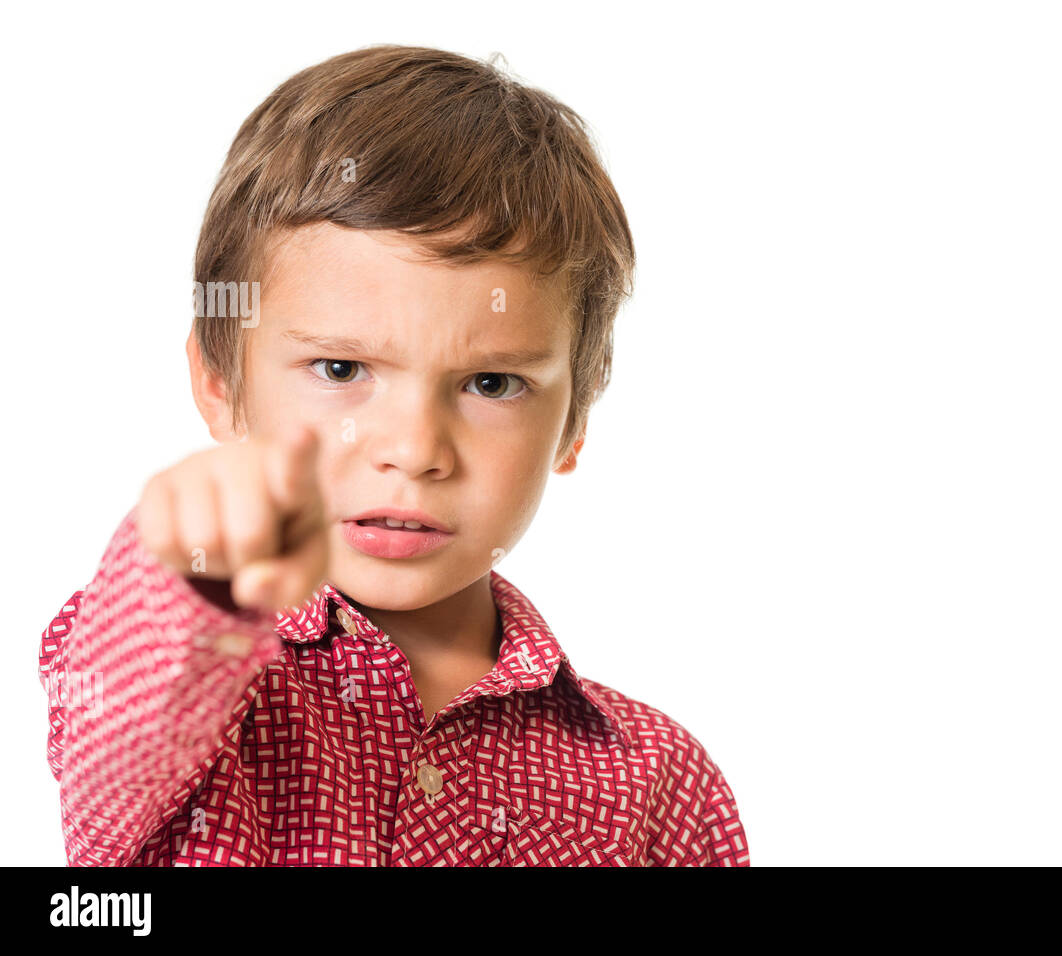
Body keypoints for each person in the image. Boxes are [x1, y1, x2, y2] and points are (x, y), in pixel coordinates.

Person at [37, 45, 748, 867]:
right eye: (341, 370)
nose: (414, 451)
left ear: (574, 420)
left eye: (491, 383)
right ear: (219, 383)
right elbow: (130, 704)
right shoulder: (186, 677)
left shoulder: (658, 782)